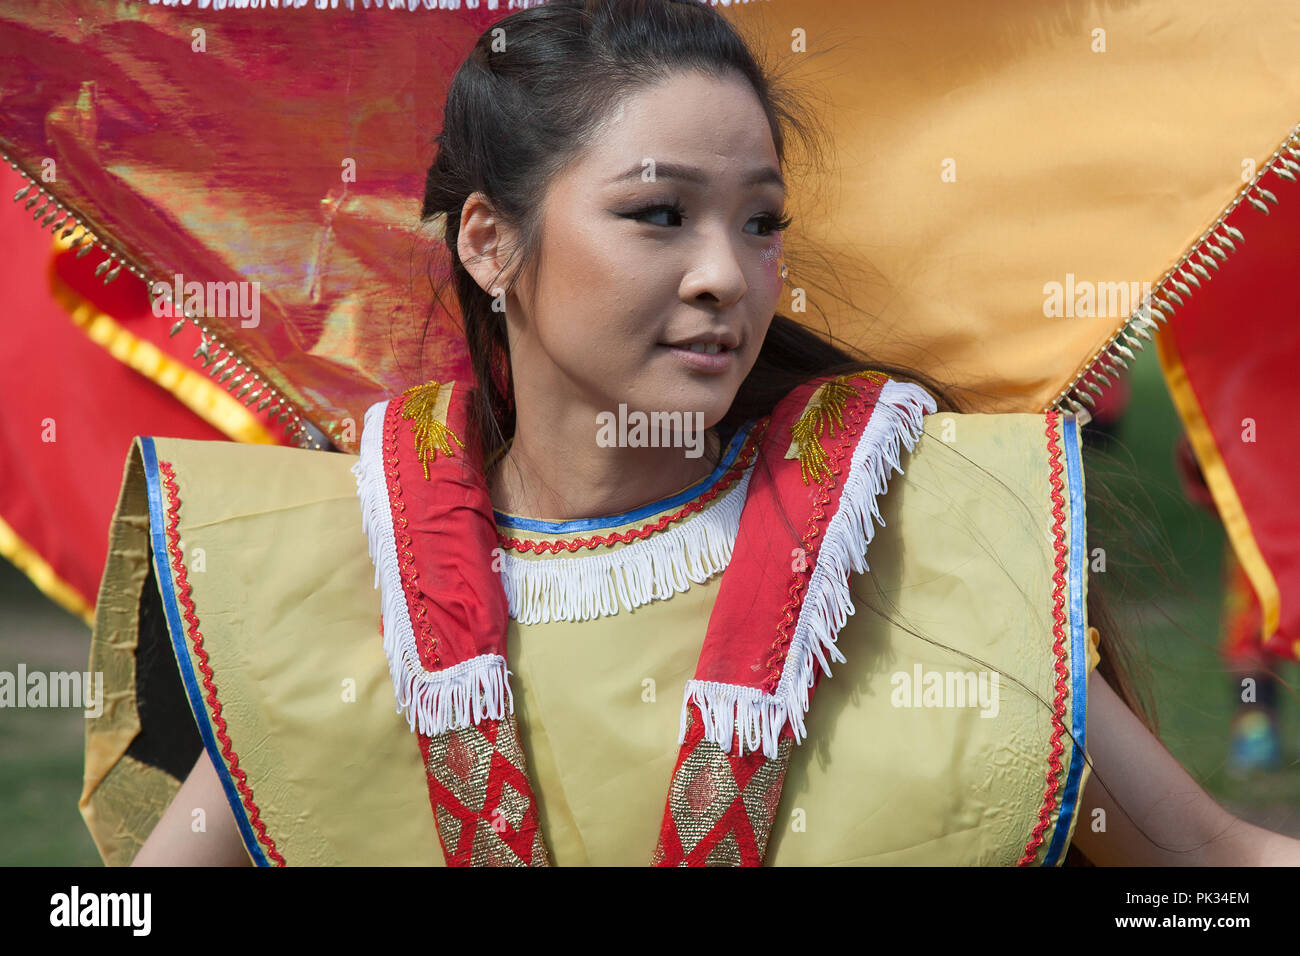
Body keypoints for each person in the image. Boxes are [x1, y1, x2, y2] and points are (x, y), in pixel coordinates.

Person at [82, 0, 1299, 867]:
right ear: (488, 244)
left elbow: (1205, 866)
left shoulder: (927, 528)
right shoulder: (338, 575)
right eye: (658, 213)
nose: (728, 273)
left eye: (761, 222)